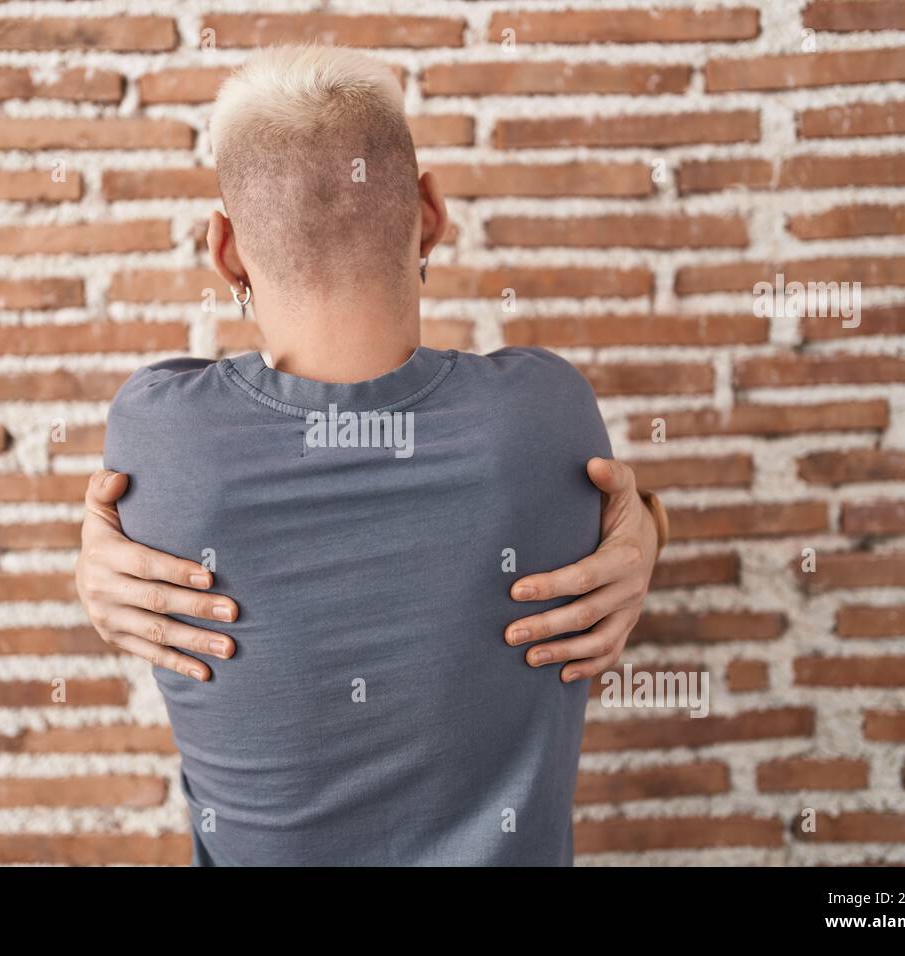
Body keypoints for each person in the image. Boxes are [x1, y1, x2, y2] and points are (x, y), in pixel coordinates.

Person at [79, 45, 669, 865]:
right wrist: (651, 531)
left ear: (225, 249)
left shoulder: (159, 433)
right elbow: (611, 513)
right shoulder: (544, 416)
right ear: (429, 212)